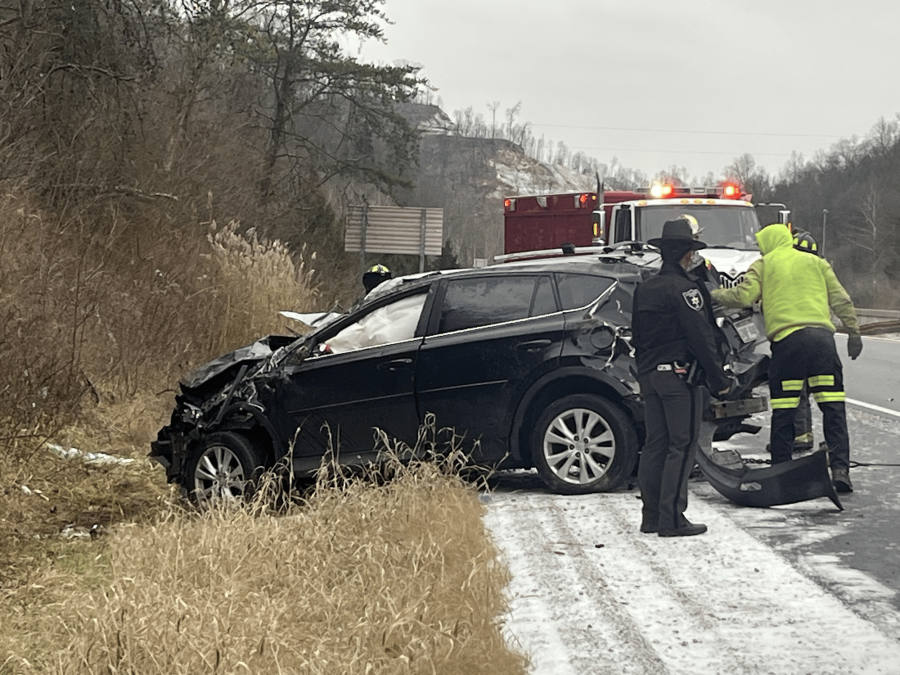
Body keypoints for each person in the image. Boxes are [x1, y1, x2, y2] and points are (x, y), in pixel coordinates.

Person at [711, 223, 862, 493]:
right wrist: (853, 332)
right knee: (833, 409)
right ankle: (840, 469)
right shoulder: (817, 263)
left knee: (785, 410)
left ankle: (781, 471)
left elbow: (744, 296)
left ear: (768, 242)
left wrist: (713, 294)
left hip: (789, 344)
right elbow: (841, 299)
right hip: (822, 344)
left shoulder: (764, 264)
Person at [633, 217, 733, 537]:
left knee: (655, 446)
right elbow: (701, 338)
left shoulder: (644, 288)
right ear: (688, 254)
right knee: (682, 445)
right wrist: (720, 380)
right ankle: (673, 519)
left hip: (650, 376)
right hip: (679, 379)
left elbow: (638, 337)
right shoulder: (687, 290)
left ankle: (650, 516)